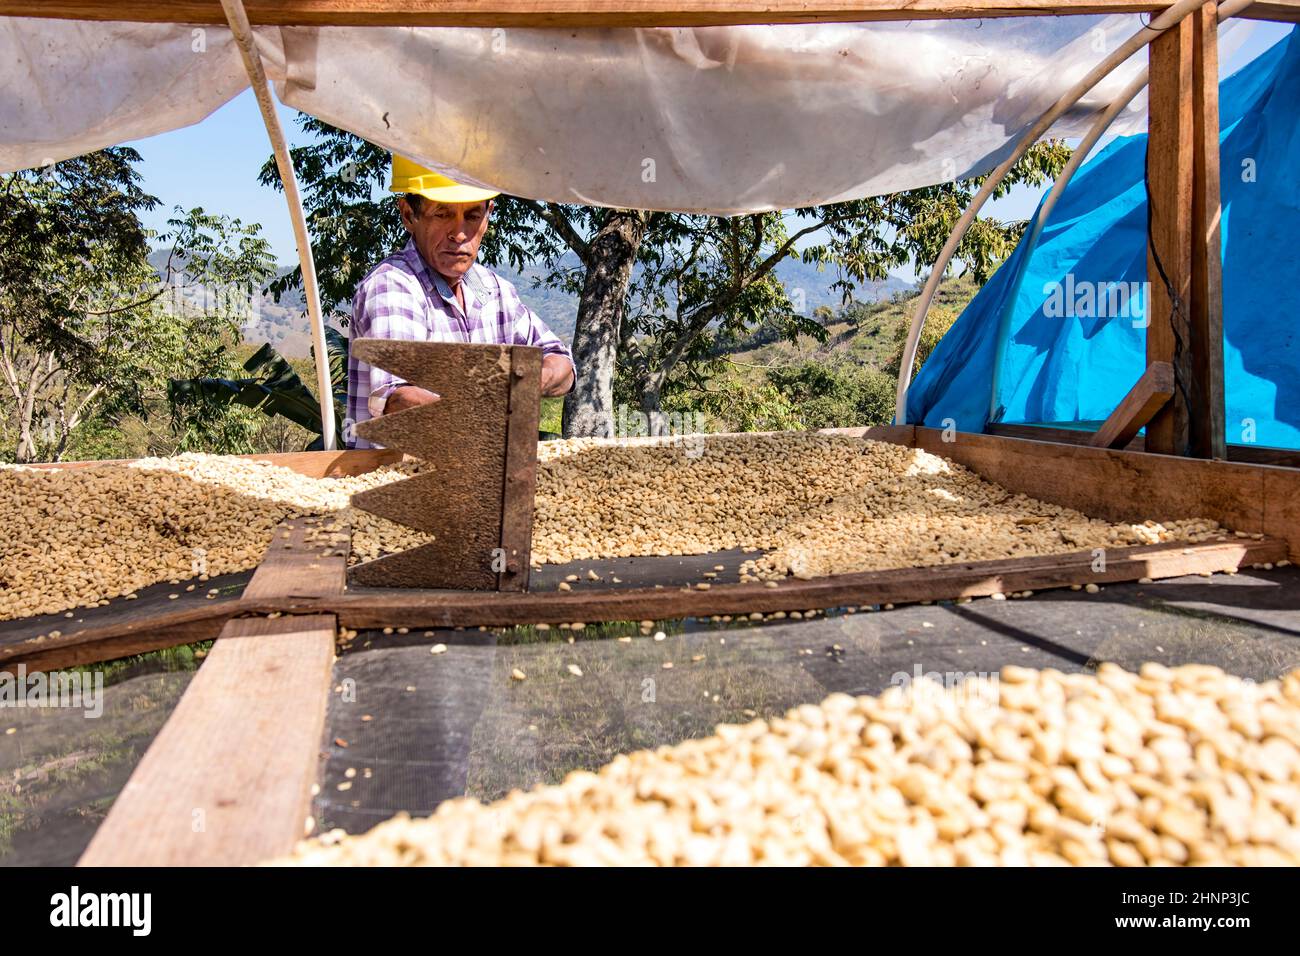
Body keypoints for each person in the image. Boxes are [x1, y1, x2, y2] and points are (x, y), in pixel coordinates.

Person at [346, 155, 576, 448]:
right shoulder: (393, 286)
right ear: (408, 215)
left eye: (472, 216)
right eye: (442, 214)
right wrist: (482, 412)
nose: (459, 234)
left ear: (488, 213)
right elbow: (397, 398)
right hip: (401, 477)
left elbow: (562, 364)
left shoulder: (494, 290)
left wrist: (530, 382)